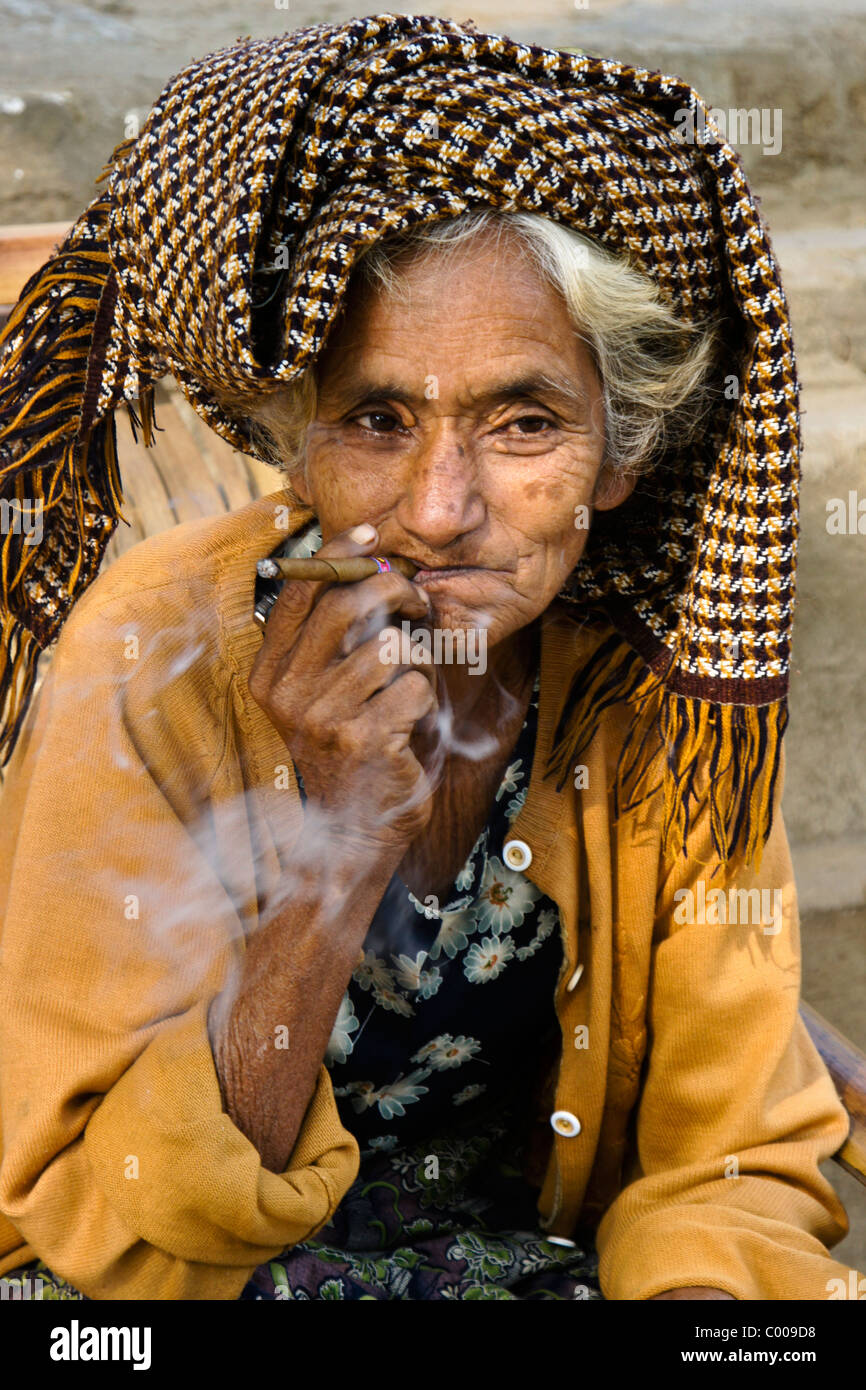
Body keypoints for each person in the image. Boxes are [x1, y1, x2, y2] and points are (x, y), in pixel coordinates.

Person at [0, 14, 857, 1301]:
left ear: (617, 456)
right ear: (294, 447)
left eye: (523, 422)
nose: (440, 507)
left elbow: (723, 1167)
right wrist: (336, 846)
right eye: (376, 418)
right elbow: (94, 1221)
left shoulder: (656, 688)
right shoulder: (152, 655)